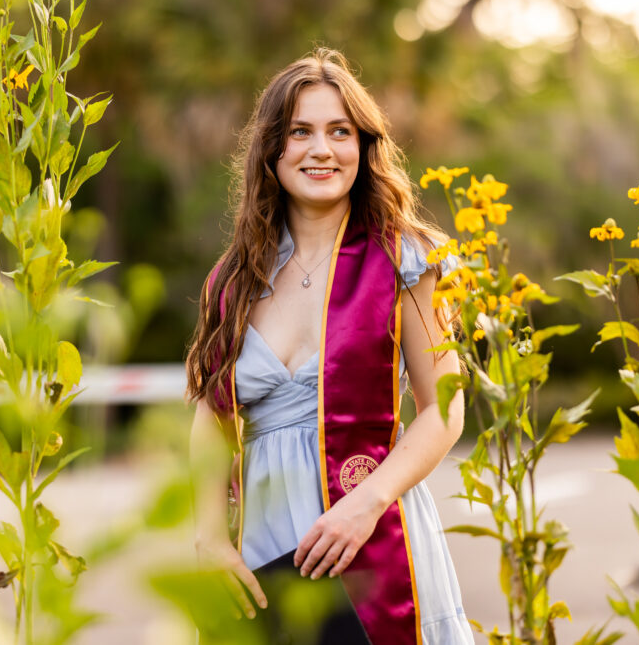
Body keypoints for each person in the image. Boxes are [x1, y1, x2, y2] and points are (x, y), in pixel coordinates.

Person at [184, 48, 474, 644]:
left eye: (340, 131)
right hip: (261, 541)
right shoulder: (234, 280)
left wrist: (367, 503)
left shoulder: (403, 258)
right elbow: (210, 421)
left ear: (363, 147)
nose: (322, 149)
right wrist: (208, 536)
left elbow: (444, 409)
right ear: (273, 150)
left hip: (370, 529)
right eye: (301, 132)